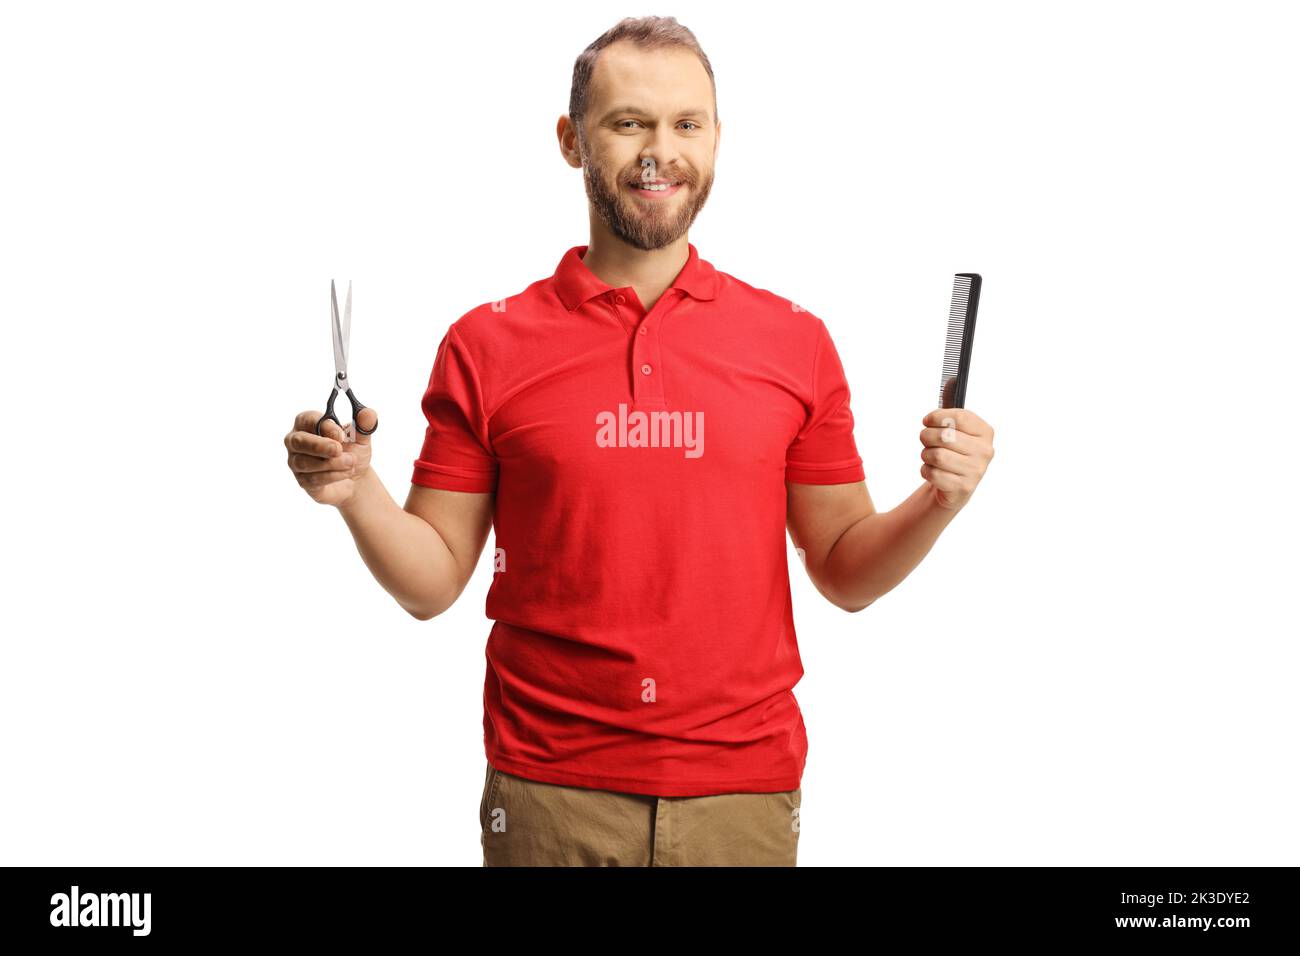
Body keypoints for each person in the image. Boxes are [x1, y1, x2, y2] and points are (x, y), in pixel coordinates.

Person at [284, 15, 995, 867]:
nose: (661, 151)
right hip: (548, 791)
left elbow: (844, 568)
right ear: (571, 140)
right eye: (629, 123)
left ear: (717, 140)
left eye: (686, 124)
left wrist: (938, 501)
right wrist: (355, 489)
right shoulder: (486, 344)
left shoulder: (794, 342)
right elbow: (433, 580)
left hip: (745, 792)